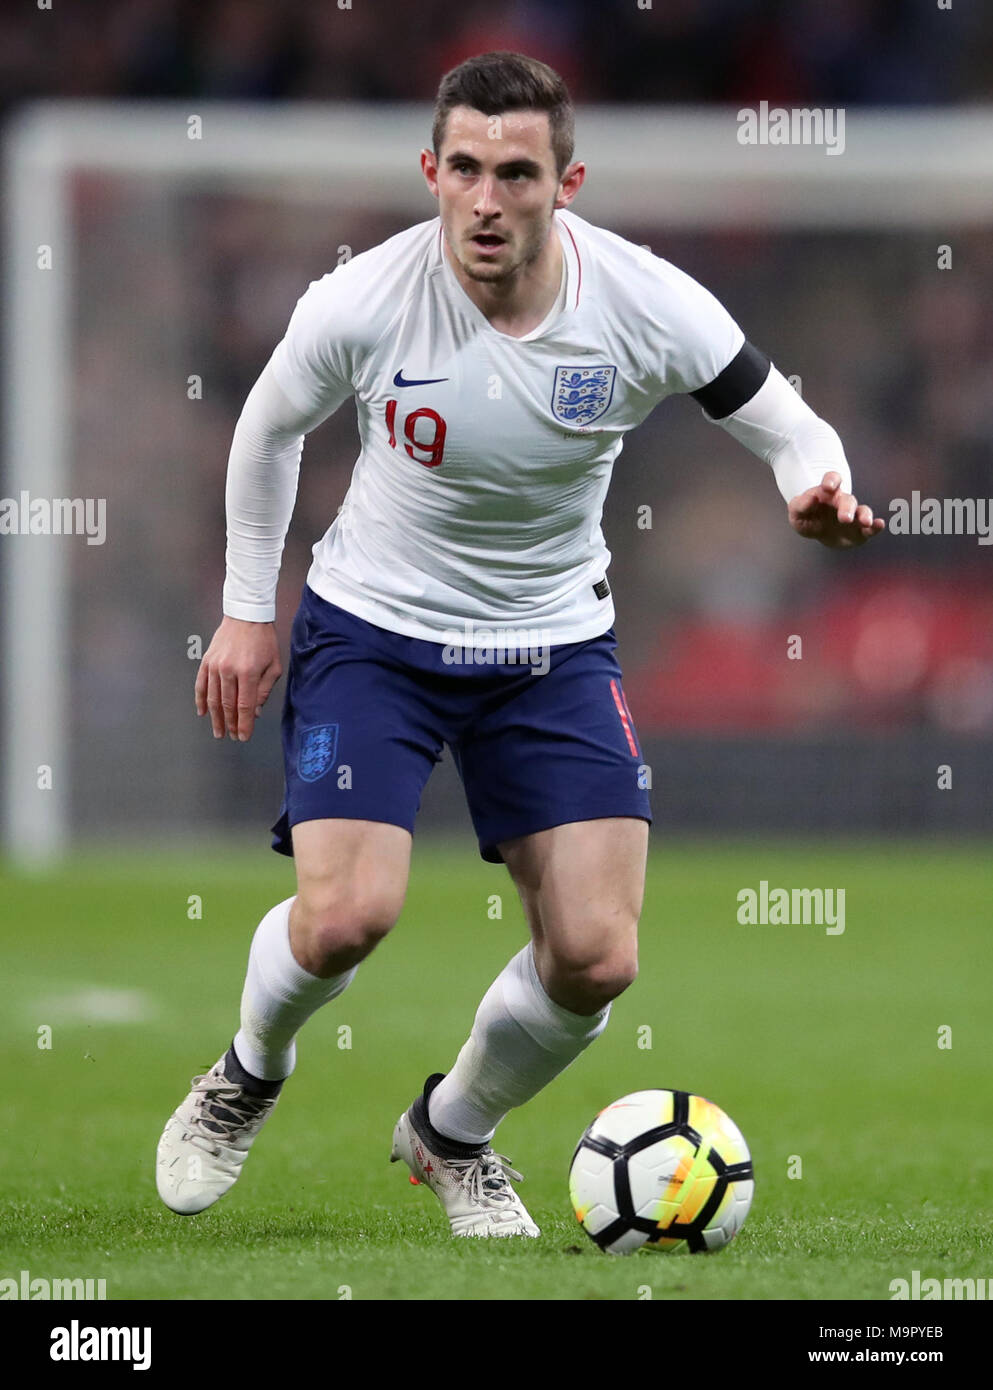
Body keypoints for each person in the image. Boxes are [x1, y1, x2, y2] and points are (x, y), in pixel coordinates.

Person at [156, 51, 884, 1238]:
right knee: (348, 916)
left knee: (598, 956)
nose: (487, 200)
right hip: (375, 631)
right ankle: (247, 1069)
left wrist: (816, 487)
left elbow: (787, 424)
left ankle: (450, 1135)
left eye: (517, 174)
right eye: (465, 170)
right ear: (431, 171)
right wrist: (248, 607)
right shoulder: (364, 300)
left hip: (551, 644)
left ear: (566, 183)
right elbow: (268, 428)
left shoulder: (647, 302)